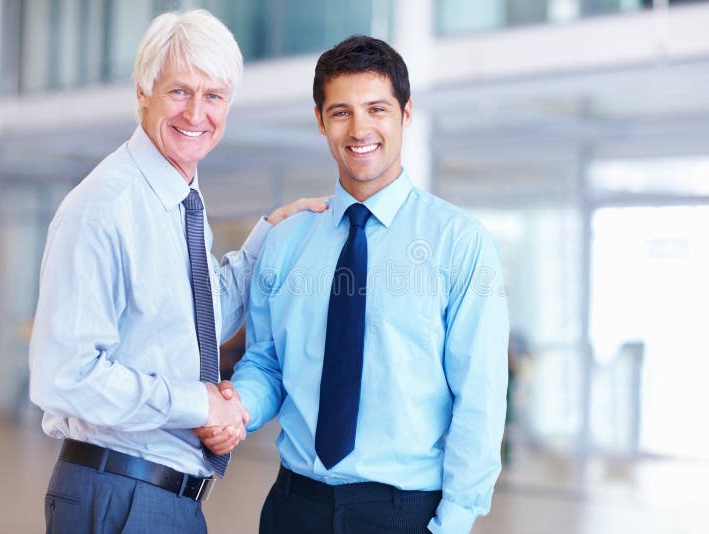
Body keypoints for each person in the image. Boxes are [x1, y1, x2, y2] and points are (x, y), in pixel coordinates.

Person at [28, 9, 325, 533]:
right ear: (143, 91)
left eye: (213, 96)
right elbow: (64, 376)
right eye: (179, 92)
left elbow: (199, 315)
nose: (197, 113)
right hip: (121, 493)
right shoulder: (104, 207)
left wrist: (267, 236)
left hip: (163, 499)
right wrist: (198, 404)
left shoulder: (179, 199)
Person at [198, 35, 509, 533]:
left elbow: (480, 396)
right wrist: (237, 410)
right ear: (320, 121)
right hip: (293, 506)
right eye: (341, 112)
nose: (360, 128)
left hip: (405, 511)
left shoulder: (459, 244)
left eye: (376, 108)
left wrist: (452, 523)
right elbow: (266, 363)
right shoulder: (286, 243)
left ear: (406, 114)